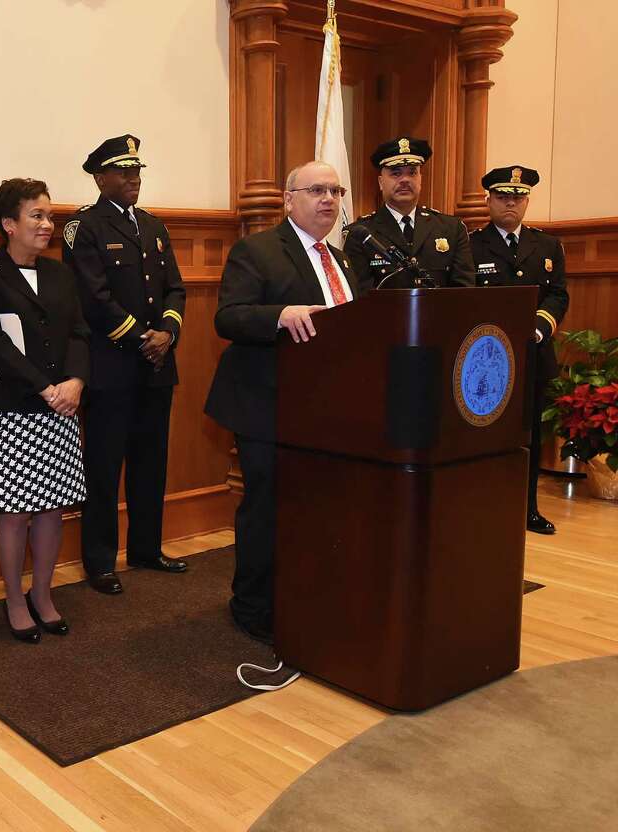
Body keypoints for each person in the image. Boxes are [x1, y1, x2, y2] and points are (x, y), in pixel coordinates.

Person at [204, 161, 362, 645]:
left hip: (325, 407)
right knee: (268, 507)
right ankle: (252, 606)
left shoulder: (343, 259)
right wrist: (281, 315)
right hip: (266, 404)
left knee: (316, 507)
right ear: (289, 200)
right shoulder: (257, 250)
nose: (329, 199)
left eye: (336, 191)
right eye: (317, 190)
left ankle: (306, 595)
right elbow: (229, 317)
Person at [0, 178, 89, 642]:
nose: (47, 224)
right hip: (12, 407)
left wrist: (75, 382)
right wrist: (45, 389)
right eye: (37, 215)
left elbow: (79, 333)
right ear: (8, 224)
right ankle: (14, 599)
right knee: (15, 510)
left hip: (63, 405)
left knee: (53, 507)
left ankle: (43, 594)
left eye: (50, 216)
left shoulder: (60, 274)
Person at [62, 134, 187, 595]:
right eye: (123, 171)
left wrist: (168, 332)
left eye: (137, 171)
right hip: (112, 367)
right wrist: (142, 338)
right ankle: (100, 562)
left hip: (156, 366)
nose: (134, 178)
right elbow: (93, 299)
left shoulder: (153, 226)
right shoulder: (84, 227)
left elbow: (175, 288)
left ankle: (146, 549)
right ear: (100, 178)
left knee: (151, 462)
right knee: (104, 465)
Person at [470, 165, 569, 535]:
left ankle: (527, 509)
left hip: (533, 355)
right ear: (488, 200)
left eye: (518, 197)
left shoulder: (547, 246)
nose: (510, 203)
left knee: (529, 437)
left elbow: (558, 294)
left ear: (526, 201)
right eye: (502, 196)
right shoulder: (470, 244)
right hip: (485, 360)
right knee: (484, 436)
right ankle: (483, 507)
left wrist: (540, 326)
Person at [343, 137, 474, 289]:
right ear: (380, 182)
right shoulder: (360, 234)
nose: (405, 180)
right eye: (396, 173)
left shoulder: (451, 229)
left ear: (420, 180)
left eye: (412, 173)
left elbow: (464, 291)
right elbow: (360, 295)